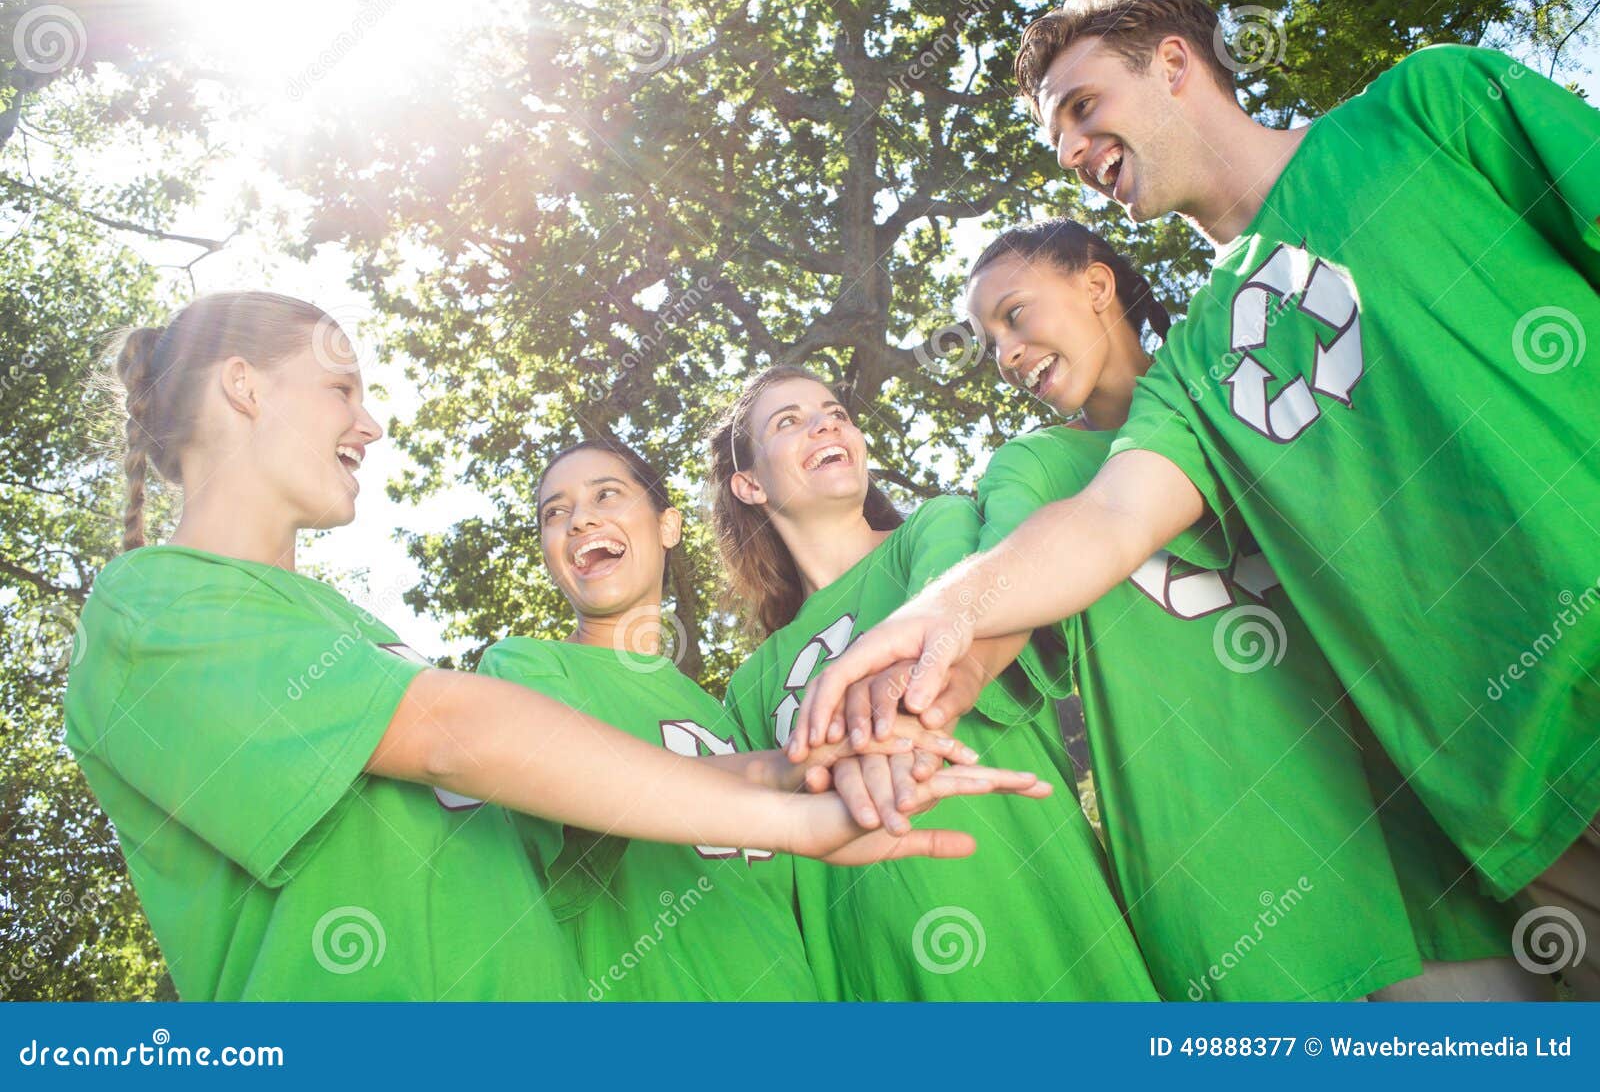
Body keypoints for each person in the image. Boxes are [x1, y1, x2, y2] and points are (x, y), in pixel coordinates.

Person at [793, 0, 1600, 996]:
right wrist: (948, 606)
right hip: (1525, 796)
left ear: (1173, 62)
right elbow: (1109, 516)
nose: (1079, 154)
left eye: (1083, 108)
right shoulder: (1195, 366)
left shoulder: (1425, 110)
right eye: (1061, 145)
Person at [62, 292, 1046, 1001]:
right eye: (340, 388)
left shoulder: (355, 638)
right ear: (243, 385)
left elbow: (556, 807)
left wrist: (784, 770)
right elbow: (450, 729)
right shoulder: (153, 604)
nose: (369, 420)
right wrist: (797, 819)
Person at [967, 217, 1538, 1001]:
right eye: (988, 340)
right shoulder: (1034, 468)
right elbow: (1002, 582)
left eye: (1013, 315)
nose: (1004, 354)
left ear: (1096, 285)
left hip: (1416, 822)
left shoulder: (1240, 371)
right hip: (1246, 889)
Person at [478, 438, 988, 1000]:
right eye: (556, 512)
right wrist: (779, 768)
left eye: (607, 494)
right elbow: (570, 782)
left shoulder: (723, 718)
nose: (579, 519)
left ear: (668, 526)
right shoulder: (529, 666)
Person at [712, 365, 1158, 1001]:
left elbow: (939, 644)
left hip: (1028, 923)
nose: (826, 422)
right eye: (789, 421)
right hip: (868, 970)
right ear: (750, 483)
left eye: (834, 410)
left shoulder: (937, 529)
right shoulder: (751, 683)